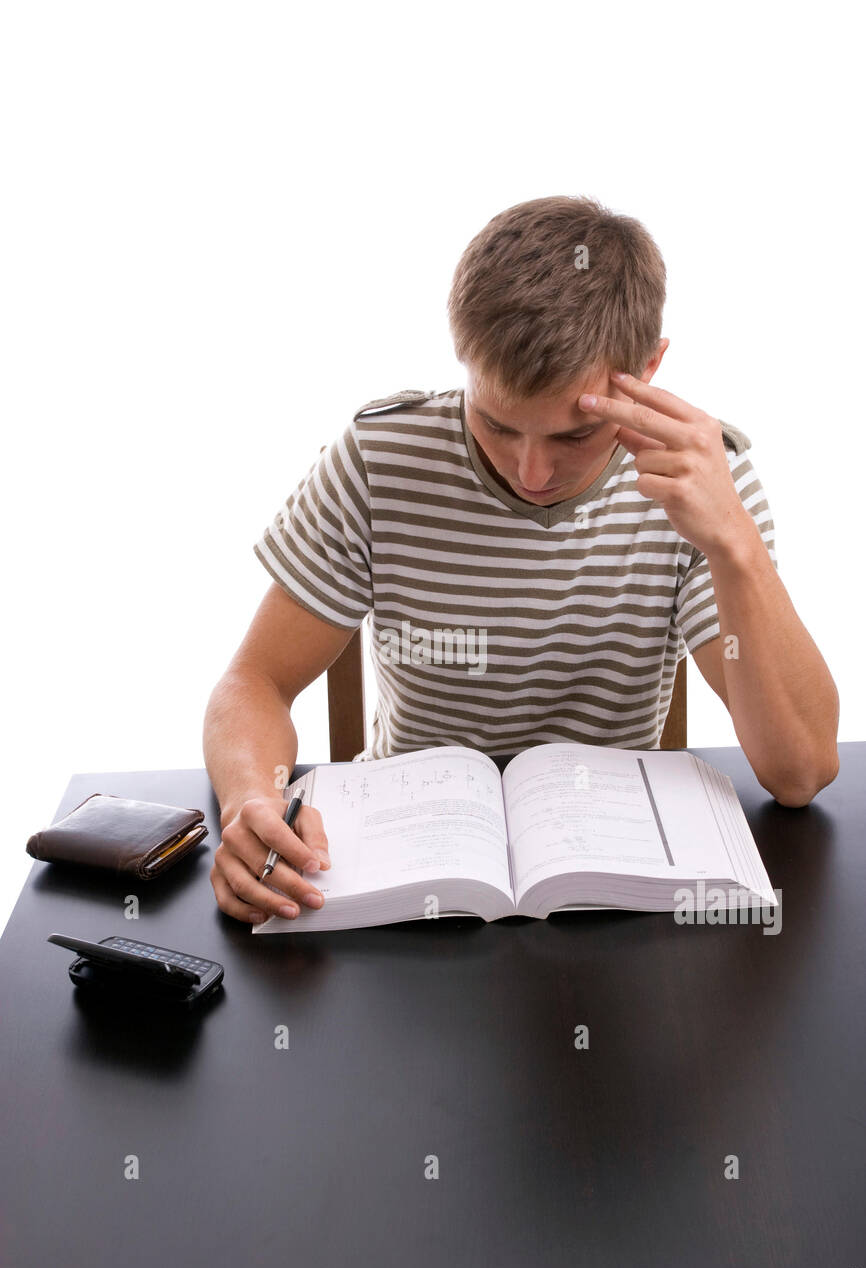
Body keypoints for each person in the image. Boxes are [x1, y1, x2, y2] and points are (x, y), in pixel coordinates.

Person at [203, 195, 839, 926]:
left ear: (650, 367)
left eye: (574, 435)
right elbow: (255, 680)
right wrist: (253, 796)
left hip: (613, 892)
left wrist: (735, 545)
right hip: (409, 888)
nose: (530, 473)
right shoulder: (381, 459)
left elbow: (800, 773)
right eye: (498, 424)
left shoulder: (702, 481)